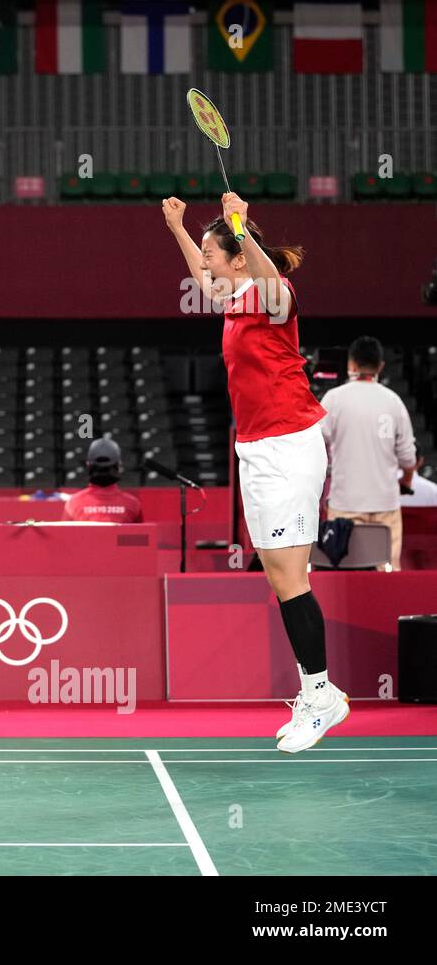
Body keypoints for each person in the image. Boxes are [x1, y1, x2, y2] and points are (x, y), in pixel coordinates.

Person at [162, 192, 347, 753]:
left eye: (216, 254)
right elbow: (202, 271)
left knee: (292, 579)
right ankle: (315, 692)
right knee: (278, 576)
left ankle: (321, 696)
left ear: (240, 256)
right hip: (256, 448)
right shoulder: (235, 295)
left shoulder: (273, 297)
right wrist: (177, 227)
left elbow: (263, 280)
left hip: (289, 441)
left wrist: (239, 222)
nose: (207, 263)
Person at [319, 336, 419, 569]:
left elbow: (315, 443)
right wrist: (405, 480)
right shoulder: (393, 402)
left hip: (345, 504)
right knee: (388, 575)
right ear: (381, 366)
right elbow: (408, 457)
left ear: (351, 365)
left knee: (344, 573)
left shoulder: (334, 399)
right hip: (385, 504)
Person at [63, 438, 143, 523]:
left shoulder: (73, 503)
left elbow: (64, 536)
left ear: (88, 465)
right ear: (118, 465)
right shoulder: (133, 504)